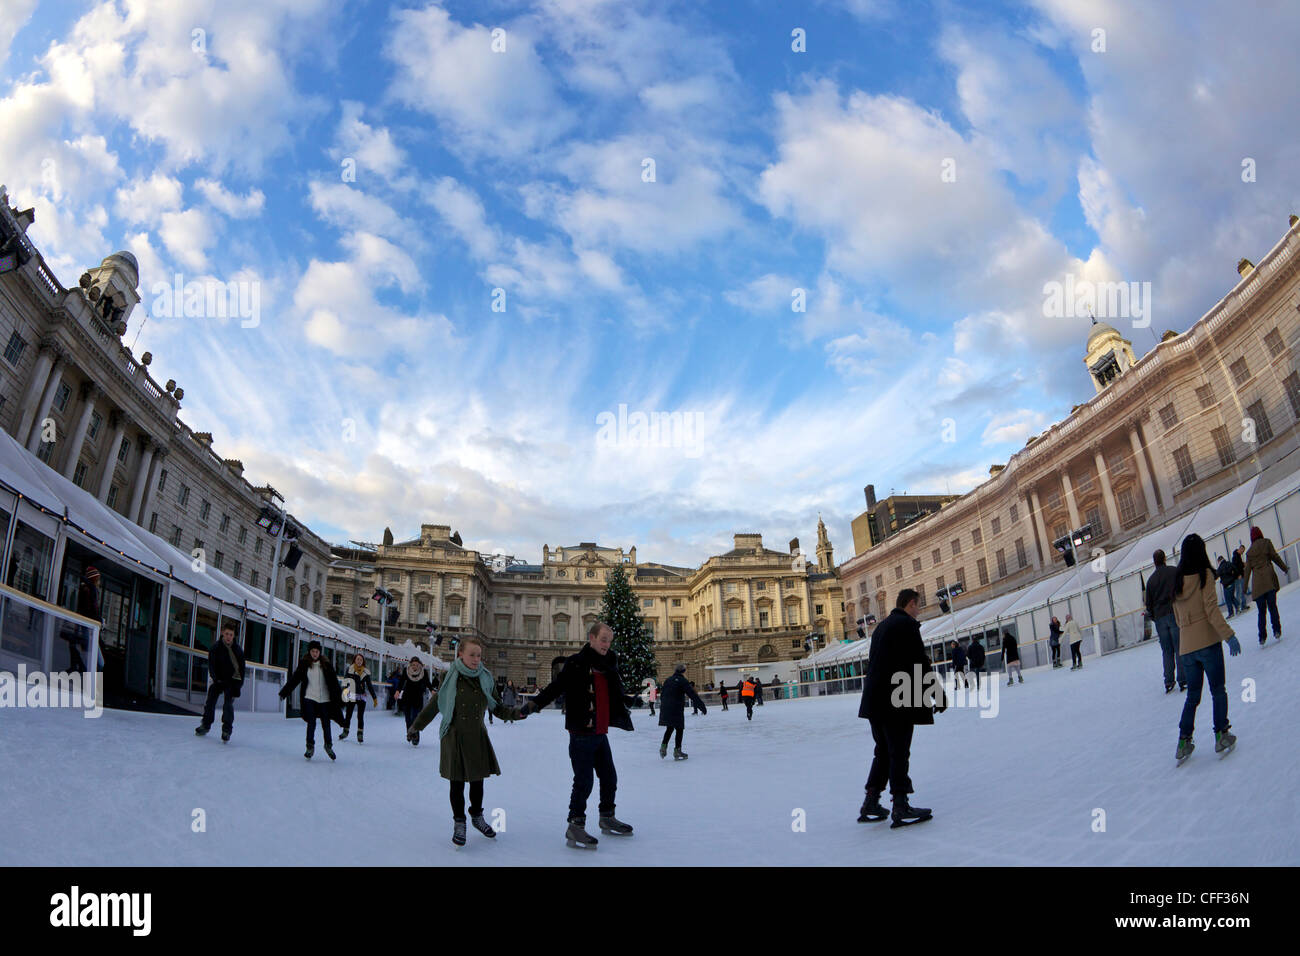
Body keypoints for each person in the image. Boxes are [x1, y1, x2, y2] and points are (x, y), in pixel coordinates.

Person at [521, 621, 635, 849]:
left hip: (601, 732)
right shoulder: (576, 663)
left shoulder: (609, 663)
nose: (607, 645)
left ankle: (606, 816)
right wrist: (532, 705)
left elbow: (613, 692)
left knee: (610, 778)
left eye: (609, 641)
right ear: (591, 638)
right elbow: (556, 687)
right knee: (583, 781)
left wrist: (628, 700)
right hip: (582, 732)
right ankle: (575, 825)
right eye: (603, 639)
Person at [409, 636, 525, 846]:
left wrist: (517, 714)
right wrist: (417, 725)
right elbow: (436, 704)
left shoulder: (486, 679)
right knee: (457, 783)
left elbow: (497, 708)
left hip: (477, 735)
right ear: (460, 654)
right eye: (471, 654)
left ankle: (477, 817)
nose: (475, 659)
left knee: (477, 781)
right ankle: (459, 822)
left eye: (478, 655)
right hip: (454, 735)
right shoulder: (449, 676)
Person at [858, 589, 946, 828]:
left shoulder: (881, 628)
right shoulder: (906, 625)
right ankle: (900, 805)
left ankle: (871, 801)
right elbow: (920, 661)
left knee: (884, 751)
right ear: (910, 604)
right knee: (898, 751)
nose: (918, 611)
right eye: (917, 606)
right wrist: (937, 694)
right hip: (896, 698)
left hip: (874, 700)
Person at [1172, 533, 1241, 762]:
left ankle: (1183, 740)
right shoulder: (1205, 576)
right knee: (1217, 689)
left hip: (1187, 647)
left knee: (1193, 695)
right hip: (1208, 643)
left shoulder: (1177, 581)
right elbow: (1212, 611)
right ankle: (1221, 734)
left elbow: (1176, 616)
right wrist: (1229, 636)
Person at [279, 640, 344, 760]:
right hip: (310, 697)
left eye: (317, 651)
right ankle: (310, 747)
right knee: (311, 722)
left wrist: (341, 698)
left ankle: (328, 746)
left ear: (320, 652)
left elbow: (334, 683)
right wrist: (284, 692)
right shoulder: (304, 664)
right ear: (309, 652)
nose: (315, 653)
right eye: (313, 651)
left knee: (326, 723)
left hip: (324, 699)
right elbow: (295, 679)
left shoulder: (326, 664)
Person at [196, 622, 245, 742]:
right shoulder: (215, 648)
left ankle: (226, 730)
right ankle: (205, 725)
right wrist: (215, 678)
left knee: (228, 705)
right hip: (218, 680)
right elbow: (211, 665)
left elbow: (242, 669)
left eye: (231, 635)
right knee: (210, 701)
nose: (229, 637)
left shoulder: (237, 650)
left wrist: (238, 687)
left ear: (234, 636)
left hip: (231, 681)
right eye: (227, 634)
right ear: (222, 633)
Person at [1145, 549, 1185, 693]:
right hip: (1173, 612)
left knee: (1167, 651)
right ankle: (1183, 679)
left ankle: (1168, 680)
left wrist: (1155, 617)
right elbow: (1182, 589)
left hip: (1160, 617)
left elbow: (1148, 604)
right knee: (1179, 646)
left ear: (1154, 562)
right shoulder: (1173, 572)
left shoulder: (1151, 580)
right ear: (1165, 558)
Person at [1243, 526, 1288, 645]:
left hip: (1258, 585)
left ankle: (1262, 637)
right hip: (1269, 581)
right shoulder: (1267, 543)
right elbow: (1275, 557)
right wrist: (1284, 568)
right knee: (1273, 607)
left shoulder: (1249, 552)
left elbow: (1247, 571)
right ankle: (1277, 630)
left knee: (1261, 612)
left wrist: (1244, 588)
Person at [658, 663, 706, 759]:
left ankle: (663, 747)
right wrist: (702, 706)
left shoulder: (668, 680)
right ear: (683, 671)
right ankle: (677, 751)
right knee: (679, 729)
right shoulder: (682, 681)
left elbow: (662, 694)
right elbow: (692, 694)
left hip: (666, 707)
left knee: (670, 728)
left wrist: (665, 705)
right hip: (676, 708)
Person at [340, 653, 378, 743]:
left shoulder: (365, 672)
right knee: (348, 715)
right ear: (354, 660)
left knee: (360, 716)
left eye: (361, 660)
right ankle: (345, 731)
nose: (359, 661)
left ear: (363, 661)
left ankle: (360, 733)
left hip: (361, 696)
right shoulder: (350, 670)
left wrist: (374, 698)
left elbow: (369, 686)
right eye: (358, 659)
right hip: (352, 695)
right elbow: (345, 682)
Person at [397, 658, 434, 744]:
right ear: (410, 665)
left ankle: (415, 735)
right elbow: (401, 682)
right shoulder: (406, 671)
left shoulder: (423, 672)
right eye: (413, 665)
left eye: (416, 665)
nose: (415, 667)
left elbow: (427, 682)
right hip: (407, 697)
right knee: (407, 718)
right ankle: (410, 733)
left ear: (419, 665)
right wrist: (397, 691)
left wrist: (431, 689)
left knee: (415, 717)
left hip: (417, 698)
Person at [1232, 544, 1248, 613]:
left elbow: (1238, 565)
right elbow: (1234, 567)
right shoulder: (1235, 556)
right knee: (1239, 591)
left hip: (1240, 576)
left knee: (1241, 591)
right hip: (1238, 577)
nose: (1243, 552)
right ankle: (1238, 607)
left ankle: (1243, 605)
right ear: (1240, 549)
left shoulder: (1238, 556)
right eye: (1242, 551)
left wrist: (1242, 564)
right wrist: (1238, 574)